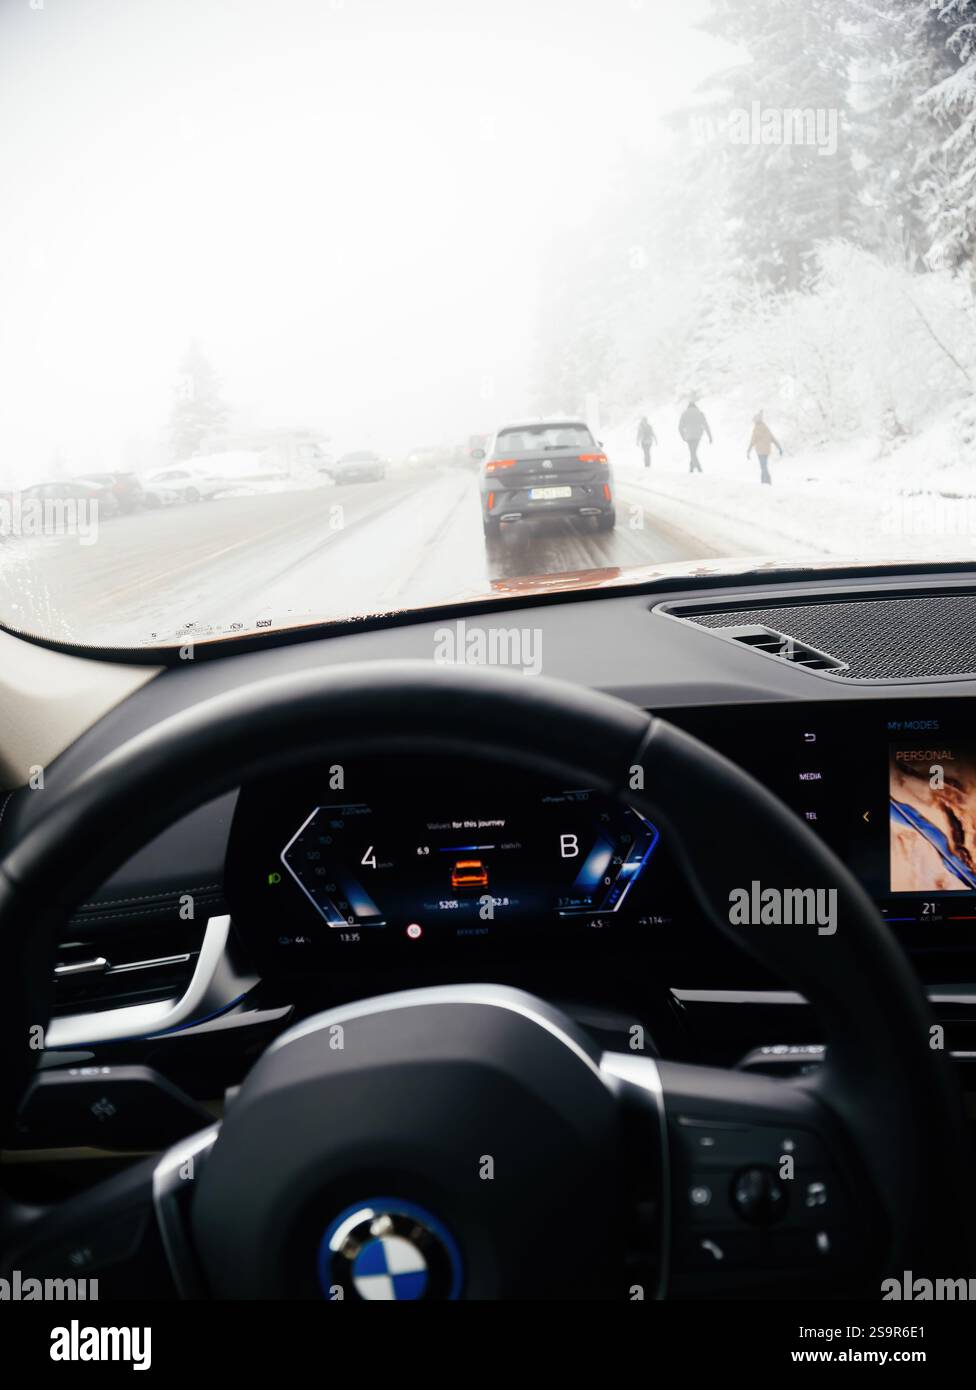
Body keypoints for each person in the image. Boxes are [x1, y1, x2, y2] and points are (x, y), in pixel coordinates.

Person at [746, 410, 782, 485]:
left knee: (763, 466)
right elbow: (773, 438)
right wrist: (779, 447)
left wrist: (748, 451)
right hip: (767, 451)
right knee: (764, 466)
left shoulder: (756, 430)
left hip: (760, 451)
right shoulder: (766, 428)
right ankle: (764, 481)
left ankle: (766, 482)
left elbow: (752, 441)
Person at [678, 395, 712, 473]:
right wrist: (710, 437)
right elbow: (706, 426)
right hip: (698, 435)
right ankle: (692, 468)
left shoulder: (684, 414)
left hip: (689, 435)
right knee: (693, 451)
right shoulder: (700, 413)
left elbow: (680, 427)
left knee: (692, 452)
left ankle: (698, 468)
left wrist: (683, 436)